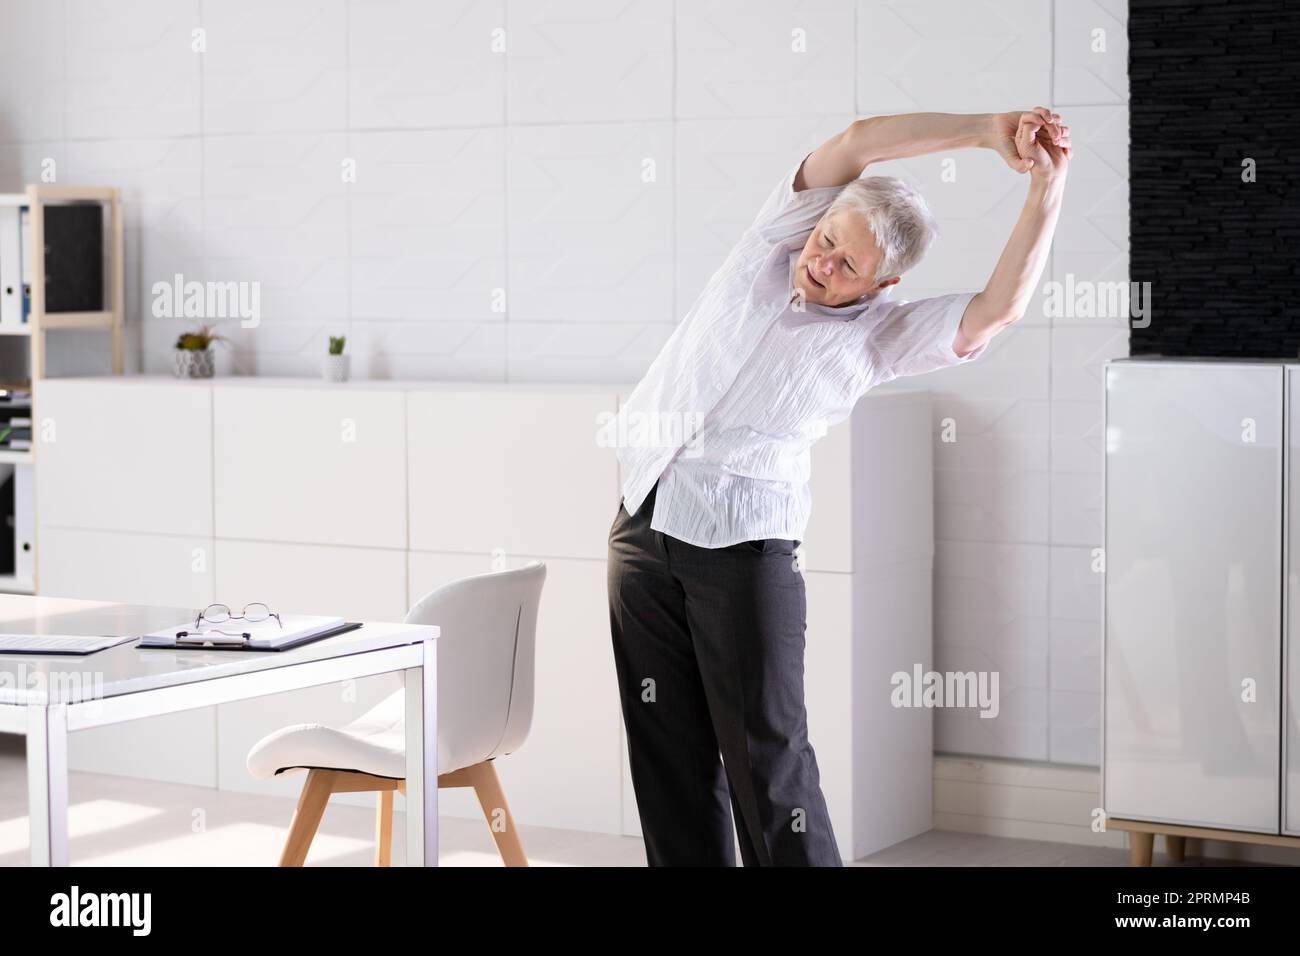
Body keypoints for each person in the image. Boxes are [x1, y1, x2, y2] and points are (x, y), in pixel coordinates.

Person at [604, 109, 1071, 866]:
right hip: (643, 518)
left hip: (740, 551)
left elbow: (997, 311)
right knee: (667, 760)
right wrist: (988, 131)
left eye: (846, 266)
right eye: (825, 242)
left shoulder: (880, 335)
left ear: (884, 282)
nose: (820, 265)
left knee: (768, 764)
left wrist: (1045, 188)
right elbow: (856, 143)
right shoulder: (773, 244)